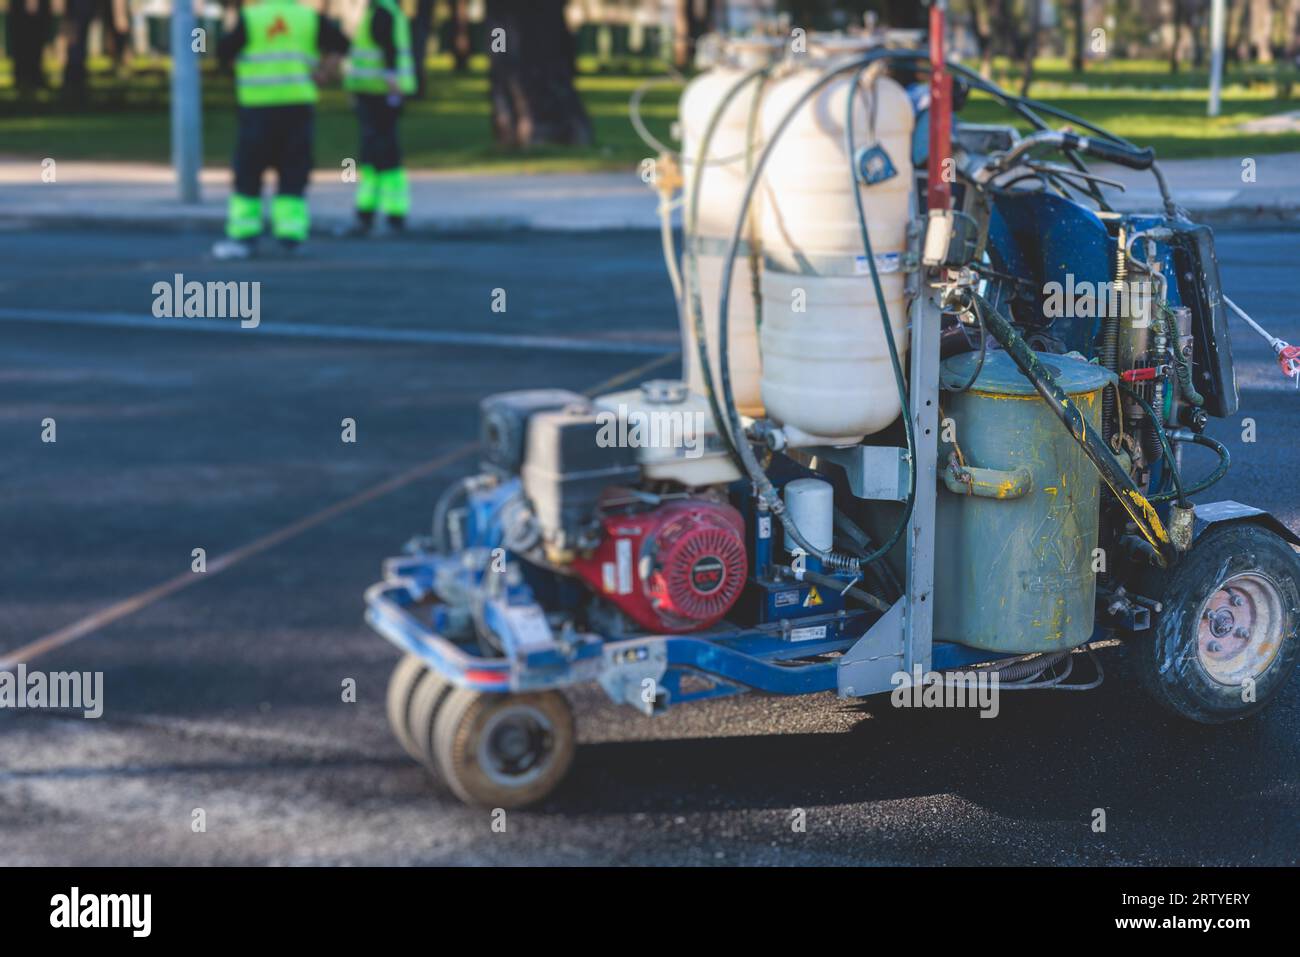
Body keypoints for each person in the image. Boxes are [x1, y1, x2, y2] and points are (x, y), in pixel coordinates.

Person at [213, 0, 350, 259]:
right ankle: (291, 235)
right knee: (294, 169)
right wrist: (323, 73)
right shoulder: (308, 18)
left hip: (257, 107)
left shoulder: (252, 18)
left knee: (249, 171)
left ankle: (244, 235)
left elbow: (223, 52)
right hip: (297, 106)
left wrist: (238, 74)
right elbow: (342, 44)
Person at [341, 0, 416, 235]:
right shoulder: (385, 12)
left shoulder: (382, 13)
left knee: (381, 151)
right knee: (377, 152)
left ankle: (380, 213)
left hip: (377, 92)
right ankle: (373, 211)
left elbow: (388, 48)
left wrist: (391, 81)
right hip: (377, 92)